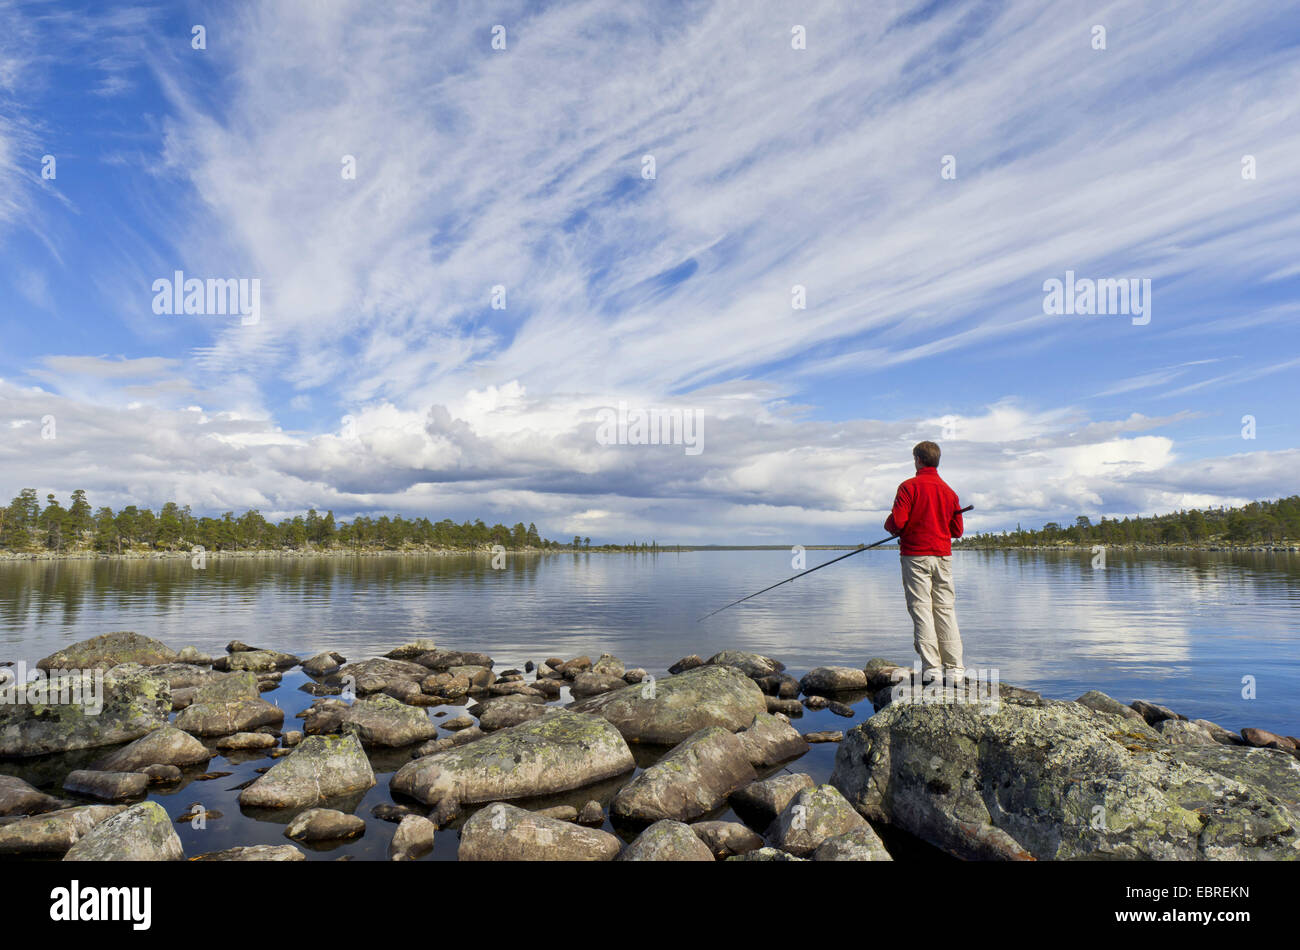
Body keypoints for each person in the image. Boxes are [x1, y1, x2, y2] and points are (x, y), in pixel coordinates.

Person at [884, 441, 965, 685]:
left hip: (916, 556)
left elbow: (897, 522)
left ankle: (932, 669)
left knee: (921, 609)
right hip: (942, 556)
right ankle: (956, 671)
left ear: (918, 459)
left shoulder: (908, 487)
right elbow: (957, 530)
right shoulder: (950, 492)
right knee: (945, 610)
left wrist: (889, 526)